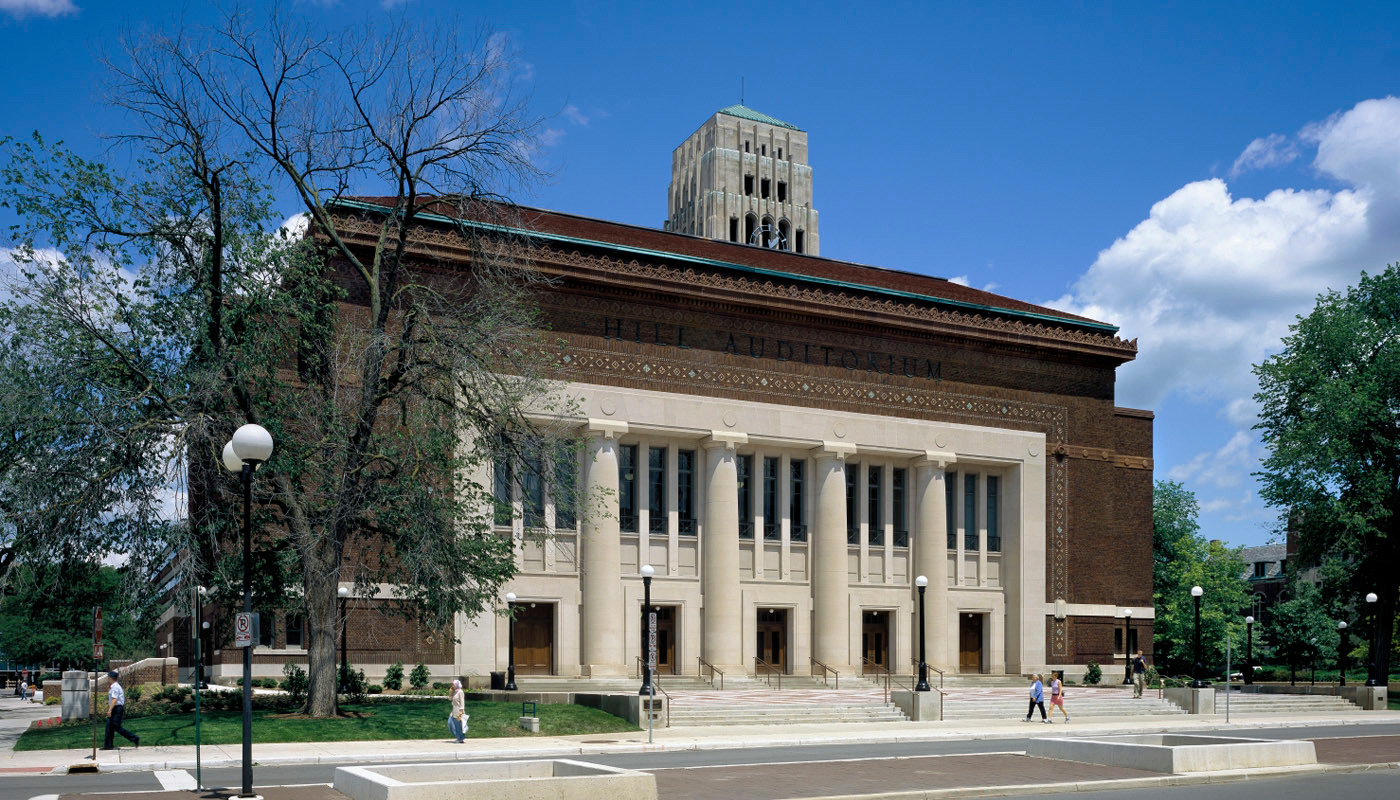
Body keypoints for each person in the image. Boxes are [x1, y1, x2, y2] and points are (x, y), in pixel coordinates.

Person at [102, 671, 139, 750]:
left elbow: (114, 700)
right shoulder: (113, 686)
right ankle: (108, 745)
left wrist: (109, 710)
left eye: (108, 677)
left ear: (111, 678)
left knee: (116, 727)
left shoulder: (115, 687)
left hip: (117, 709)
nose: (108, 679)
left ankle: (134, 738)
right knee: (109, 726)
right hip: (115, 708)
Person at [447, 679, 468, 743]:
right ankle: (459, 737)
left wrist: (461, 712)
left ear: (456, 685)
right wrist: (450, 692)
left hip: (458, 711)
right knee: (450, 723)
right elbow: (450, 699)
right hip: (453, 711)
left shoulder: (460, 692)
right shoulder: (454, 692)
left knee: (458, 726)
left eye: (453, 684)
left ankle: (460, 738)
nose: (452, 685)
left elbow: (462, 703)